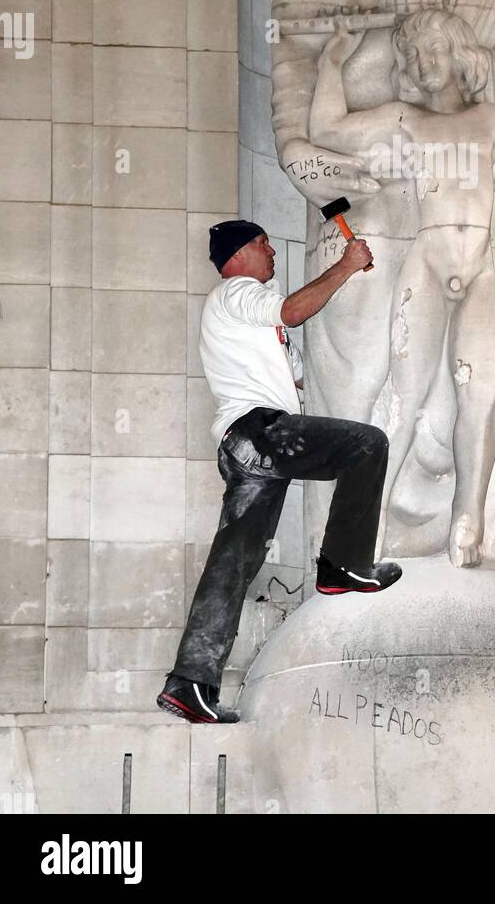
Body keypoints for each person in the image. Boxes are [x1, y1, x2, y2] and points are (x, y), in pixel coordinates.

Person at [310, 8, 495, 568]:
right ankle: (364, 528)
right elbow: (326, 129)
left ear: (460, 53)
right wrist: (331, 62)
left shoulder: (488, 121)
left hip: (479, 271)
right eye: (416, 55)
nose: (426, 62)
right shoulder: (405, 119)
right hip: (425, 265)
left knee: (480, 398)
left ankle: (468, 520)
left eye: (436, 49)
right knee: (404, 398)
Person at [156, 219, 401, 725]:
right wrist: (347, 266)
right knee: (367, 445)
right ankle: (342, 566)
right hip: (261, 432)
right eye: (264, 244)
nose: (272, 252)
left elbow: (283, 361)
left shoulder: (241, 314)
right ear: (239, 253)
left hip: (245, 448)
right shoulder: (238, 291)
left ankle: (190, 684)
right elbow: (292, 310)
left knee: (233, 566)